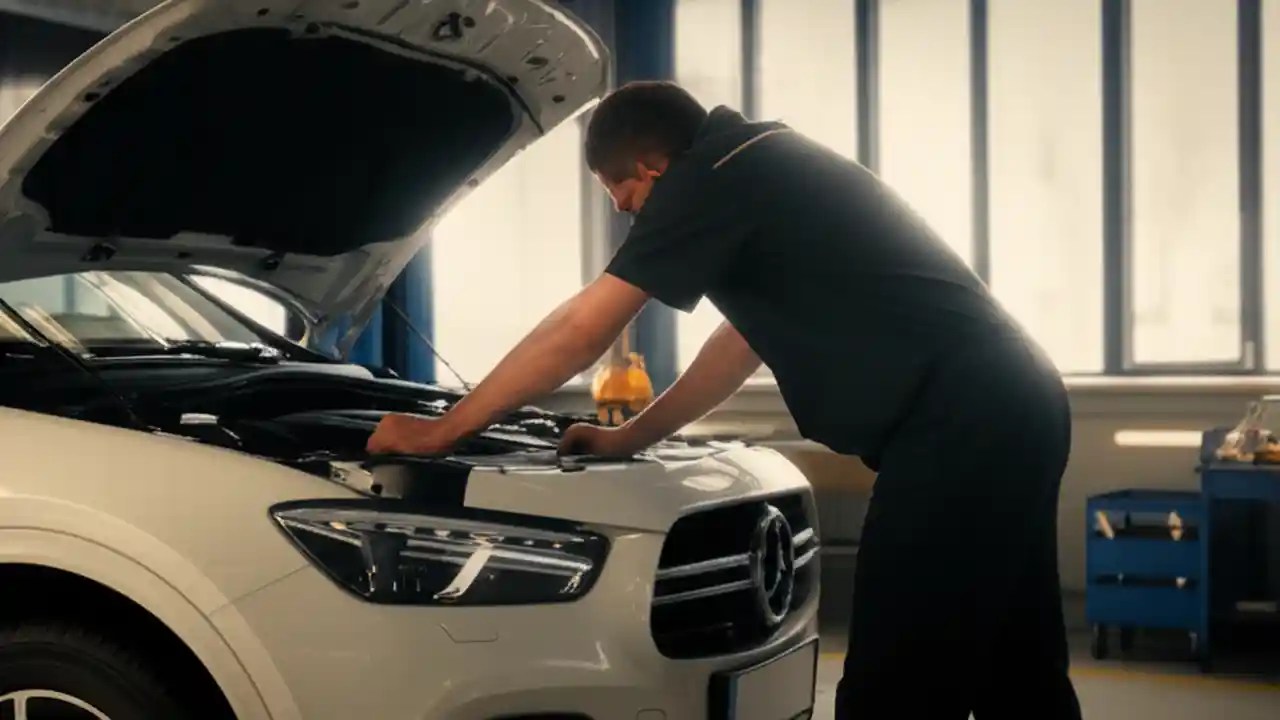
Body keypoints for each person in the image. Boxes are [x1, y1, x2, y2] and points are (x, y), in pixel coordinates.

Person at [366, 81, 1082, 718]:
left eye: (628, 199)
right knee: (1019, 675)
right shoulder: (763, 163)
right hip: (1017, 401)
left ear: (652, 169)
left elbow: (584, 327)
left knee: (895, 687)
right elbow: (738, 344)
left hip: (960, 422)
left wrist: (445, 430)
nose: (631, 218)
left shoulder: (715, 175)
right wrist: (627, 437)